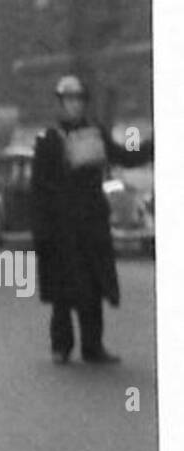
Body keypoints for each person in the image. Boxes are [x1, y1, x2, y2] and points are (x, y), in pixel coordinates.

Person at [30, 75, 152, 364]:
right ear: (60, 104)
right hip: (61, 226)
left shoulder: (96, 133)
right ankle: (61, 346)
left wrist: (150, 146)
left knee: (93, 287)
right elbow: (39, 188)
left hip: (91, 223)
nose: (74, 106)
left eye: (78, 100)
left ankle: (92, 346)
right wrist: (42, 230)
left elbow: (123, 155)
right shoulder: (48, 139)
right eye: (68, 100)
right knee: (63, 290)